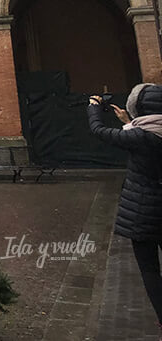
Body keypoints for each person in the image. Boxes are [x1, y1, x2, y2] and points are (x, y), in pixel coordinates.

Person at [89, 84, 162, 338]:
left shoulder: (140, 138)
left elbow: (98, 130)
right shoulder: (145, 133)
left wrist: (93, 108)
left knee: (150, 269)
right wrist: (129, 121)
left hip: (143, 213)